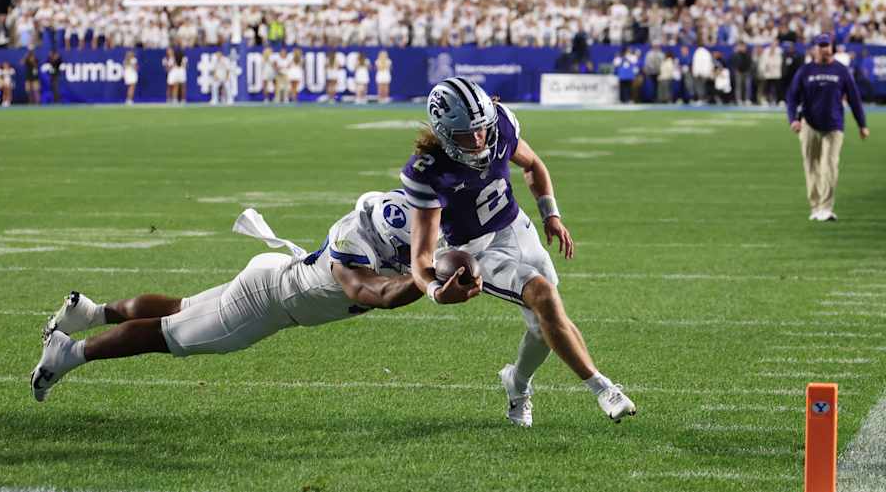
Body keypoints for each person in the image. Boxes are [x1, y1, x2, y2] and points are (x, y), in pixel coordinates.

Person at [31, 191, 427, 402]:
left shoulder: (375, 224)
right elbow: (378, 292)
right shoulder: (354, 255)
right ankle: (69, 353)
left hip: (275, 274)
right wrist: (427, 280)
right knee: (167, 332)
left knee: (181, 308)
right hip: (267, 302)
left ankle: (92, 313)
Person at [401, 77, 636, 427]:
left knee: (545, 323)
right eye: (467, 134)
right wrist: (436, 291)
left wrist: (550, 214)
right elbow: (421, 258)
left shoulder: (500, 124)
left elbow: (533, 164)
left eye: (481, 128)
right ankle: (602, 388)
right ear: (444, 133)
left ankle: (517, 383)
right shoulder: (426, 171)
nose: (478, 139)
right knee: (543, 296)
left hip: (516, 227)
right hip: (475, 249)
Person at [786, 33, 870, 222]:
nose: (824, 49)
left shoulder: (841, 71)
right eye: (821, 45)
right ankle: (815, 206)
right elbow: (792, 97)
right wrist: (793, 119)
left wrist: (862, 124)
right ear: (814, 49)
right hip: (809, 124)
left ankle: (826, 207)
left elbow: (854, 98)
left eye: (827, 45)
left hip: (834, 125)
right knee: (811, 166)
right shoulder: (805, 71)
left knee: (829, 166)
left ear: (832, 47)